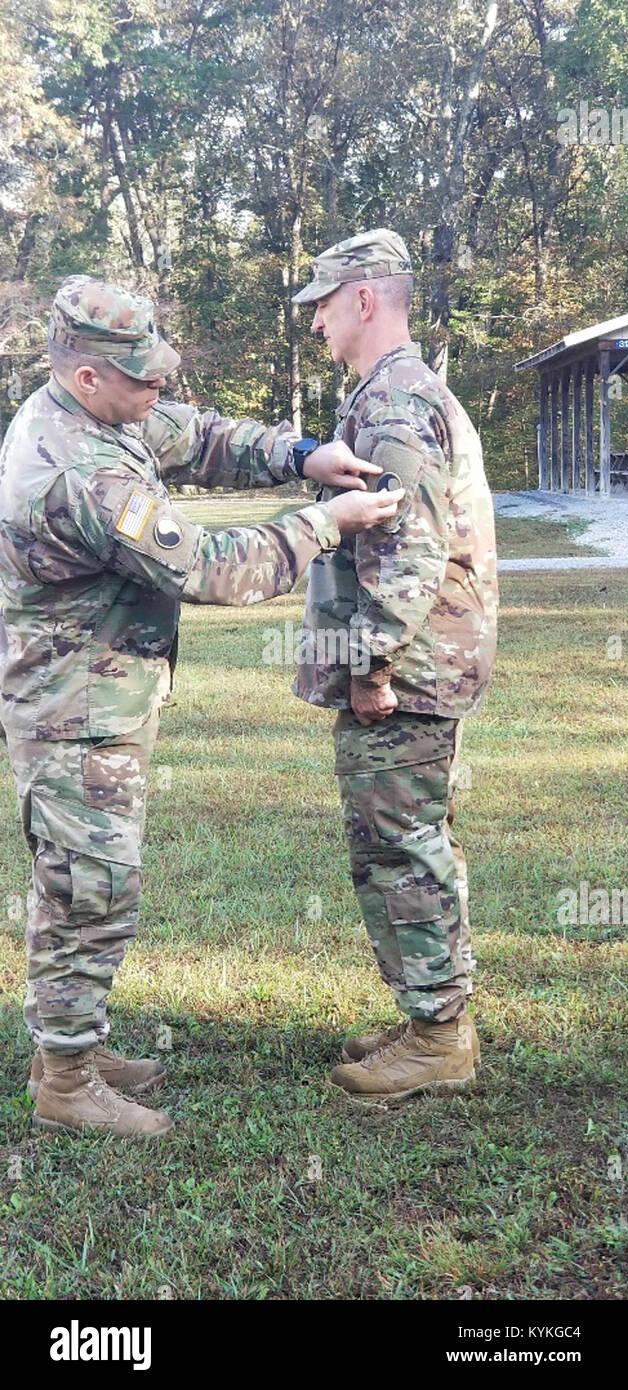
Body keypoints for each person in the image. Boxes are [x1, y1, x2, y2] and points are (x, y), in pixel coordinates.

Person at [0, 274, 402, 1137]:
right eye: (143, 377)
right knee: (89, 887)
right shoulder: (77, 474)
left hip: (100, 695)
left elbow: (199, 435)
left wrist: (299, 454)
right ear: (87, 378)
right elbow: (216, 566)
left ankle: (73, 1044)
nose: (160, 390)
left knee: (86, 881)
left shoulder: (105, 408)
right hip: (74, 712)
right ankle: (66, 1083)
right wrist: (327, 520)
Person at [291, 229, 498, 1100]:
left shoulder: (393, 404)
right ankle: (431, 1013)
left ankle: (438, 1037)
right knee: (413, 840)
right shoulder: (400, 393)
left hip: (404, 677)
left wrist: (369, 665)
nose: (317, 326)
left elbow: (409, 554)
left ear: (364, 299)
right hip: (420, 667)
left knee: (397, 848)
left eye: (324, 306)